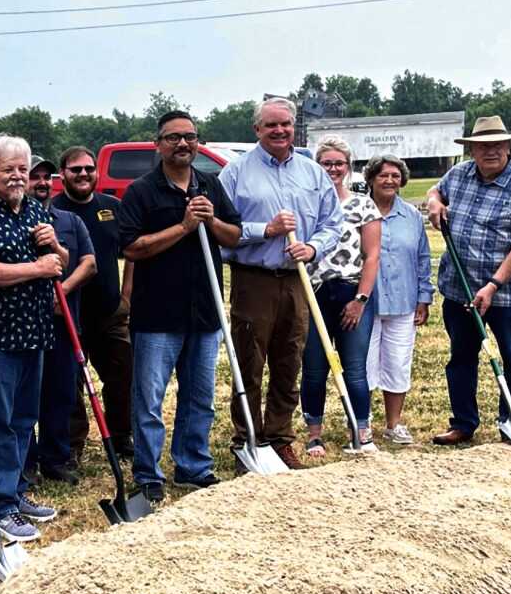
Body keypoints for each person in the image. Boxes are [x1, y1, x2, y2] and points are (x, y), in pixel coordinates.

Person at [119, 110, 243, 502]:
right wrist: (183, 227)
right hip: (157, 315)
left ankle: (193, 466)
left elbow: (234, 236)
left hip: (204, 312)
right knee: (149, 401)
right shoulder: (141, 191)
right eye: (173, 137)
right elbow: (131, 247)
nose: (183, 144)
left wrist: (211, 222)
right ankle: (148, 474)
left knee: (200, 397)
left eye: (189, 136)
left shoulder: (209, 185)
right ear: (158, 144)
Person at [217, 97, 343, 468]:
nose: (279, 130)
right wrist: (264, 230)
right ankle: (248, 442)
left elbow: (332, 223)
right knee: (250, 362)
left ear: (293, 127)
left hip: (297, 279)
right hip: (253, 279)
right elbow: (219, 230)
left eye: (285, 124)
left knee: (289, 362)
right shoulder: (235, 173)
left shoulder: (312, 173)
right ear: (257, 129)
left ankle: (280, 438)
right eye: (271, 125)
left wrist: (313, 247)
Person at [0, 134, 67, 543]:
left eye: (23, 168)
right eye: (9, 169)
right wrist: (37, 269)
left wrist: (54, 246)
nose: (18, 175)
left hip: (34, 333)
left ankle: (17, 492)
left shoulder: (36, 210)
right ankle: (1, 505)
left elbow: (58, 263)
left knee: (23, 419)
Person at [425, 115, 511, 444]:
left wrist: (493, 284)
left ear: (508, 146)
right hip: (460, 289)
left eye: (497, 144)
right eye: (482, 146)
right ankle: (463, 423)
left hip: (506, 294)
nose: (490, 151)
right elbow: (436, 190)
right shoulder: (459, 174)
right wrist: (434, 201)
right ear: (472, 150)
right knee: (461, 358)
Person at [300, 135, 381, 455]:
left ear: (348, 167)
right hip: (313, 292)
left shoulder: (362, 204)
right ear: (316, 166)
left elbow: (372, 256)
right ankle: (314, 433)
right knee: (314, 367)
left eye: (339, 163)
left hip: (351, 291)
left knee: (355, 367)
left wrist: (360, 300)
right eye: (326, 163)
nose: (333, 169)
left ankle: (360, 430)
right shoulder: (306, 204)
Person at [57, 145, 136, 465]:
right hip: (69, 314)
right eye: (75, 169)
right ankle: (72, 444)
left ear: (97, 171)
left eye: (88, 168)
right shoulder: (52, 211)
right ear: (62, 174)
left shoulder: (112, 207)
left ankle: (121, 436)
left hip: (109, 312)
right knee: (69, 383)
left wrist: (126, 295)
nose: (83, 174)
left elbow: (132, 251)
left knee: (122, 376)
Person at [24, 191, 96, 485]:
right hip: (25, 325)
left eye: (46, 175)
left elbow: (88, 263)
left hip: (62, 321)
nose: (41, 181)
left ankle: (55, 459)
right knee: (26, 395)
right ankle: (26, 463)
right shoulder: (12, 221)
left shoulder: (69, 221)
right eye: (34, 175)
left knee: (60, 393)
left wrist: (63, 290)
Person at [361, 154, 432, 446]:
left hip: (404, 302)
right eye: (383, 175)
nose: (389, 180)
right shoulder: (359, 210)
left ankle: (394, 424)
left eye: (395, 176)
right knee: (363, 364)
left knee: (398, 363)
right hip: (365, 303)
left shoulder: (412, 216)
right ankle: (362, 423)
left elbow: (423, 258)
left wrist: (424, 298)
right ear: (371, 179)